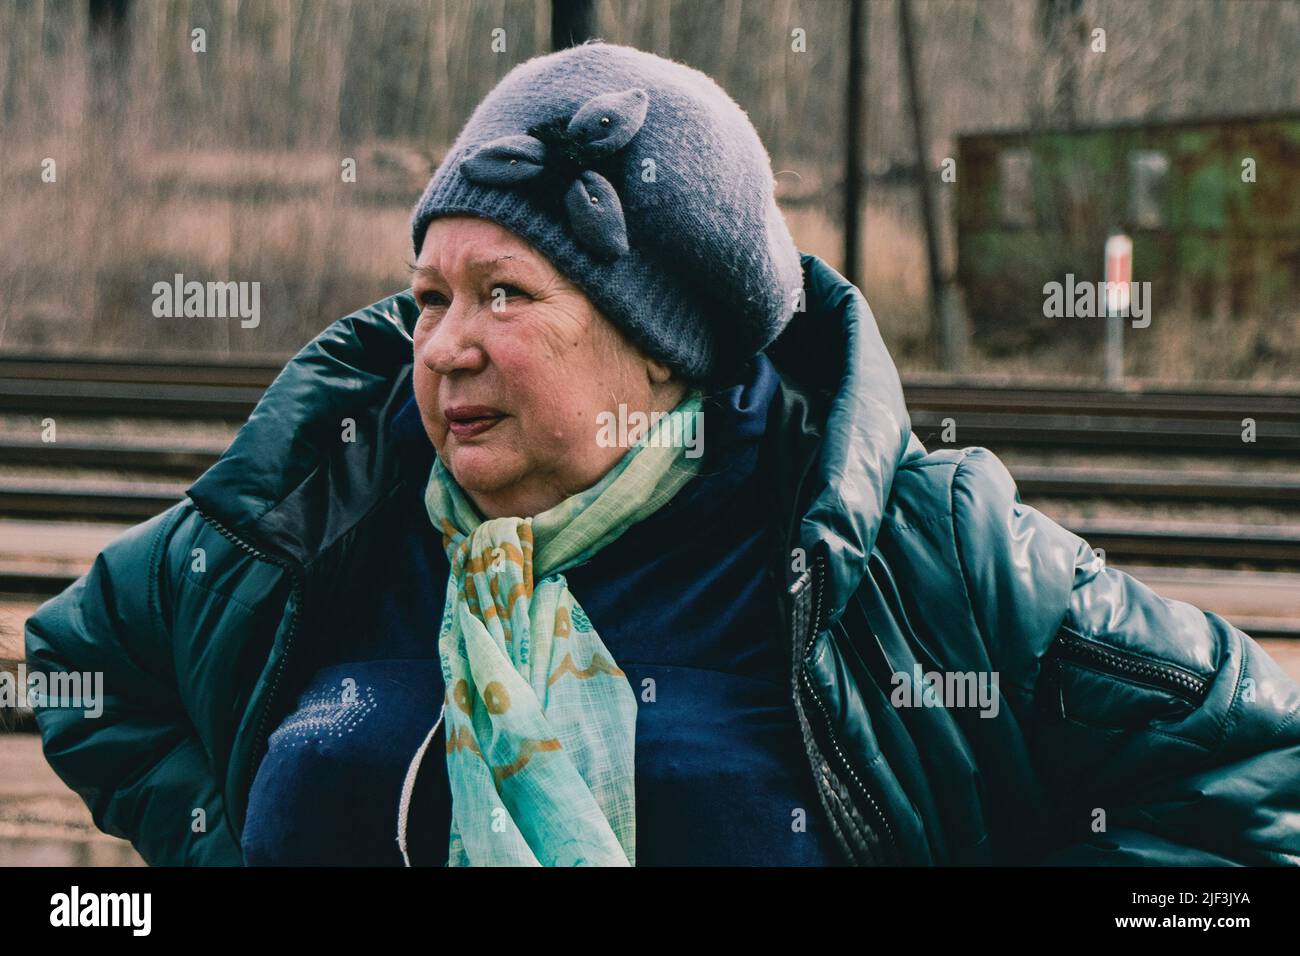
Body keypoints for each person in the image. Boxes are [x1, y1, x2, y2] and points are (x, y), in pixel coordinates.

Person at [25, 41, 1300, 867]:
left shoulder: (903, 547)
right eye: (428, 296)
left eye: (506, 296)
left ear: (659, 342)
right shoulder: (325, 505)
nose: (445, 347)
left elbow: (1247, 767)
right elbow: (86, 664)